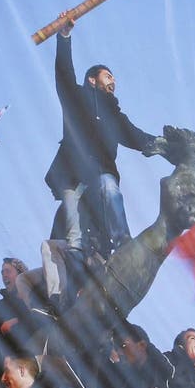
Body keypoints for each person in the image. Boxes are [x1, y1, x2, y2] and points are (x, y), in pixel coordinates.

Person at [43, 13, 166, 256]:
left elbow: (135, 136)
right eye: (108, 76)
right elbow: (64, 74)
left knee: (111, 190)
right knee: (72, 226)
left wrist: (164, 145)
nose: (113, 81)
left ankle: (123, 243)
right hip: (73, 175)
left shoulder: (114, 114)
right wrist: (64, 37)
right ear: (92, 80)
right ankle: (74, 256)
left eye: (114, 78)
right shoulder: (76, 97)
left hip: (101, 172)